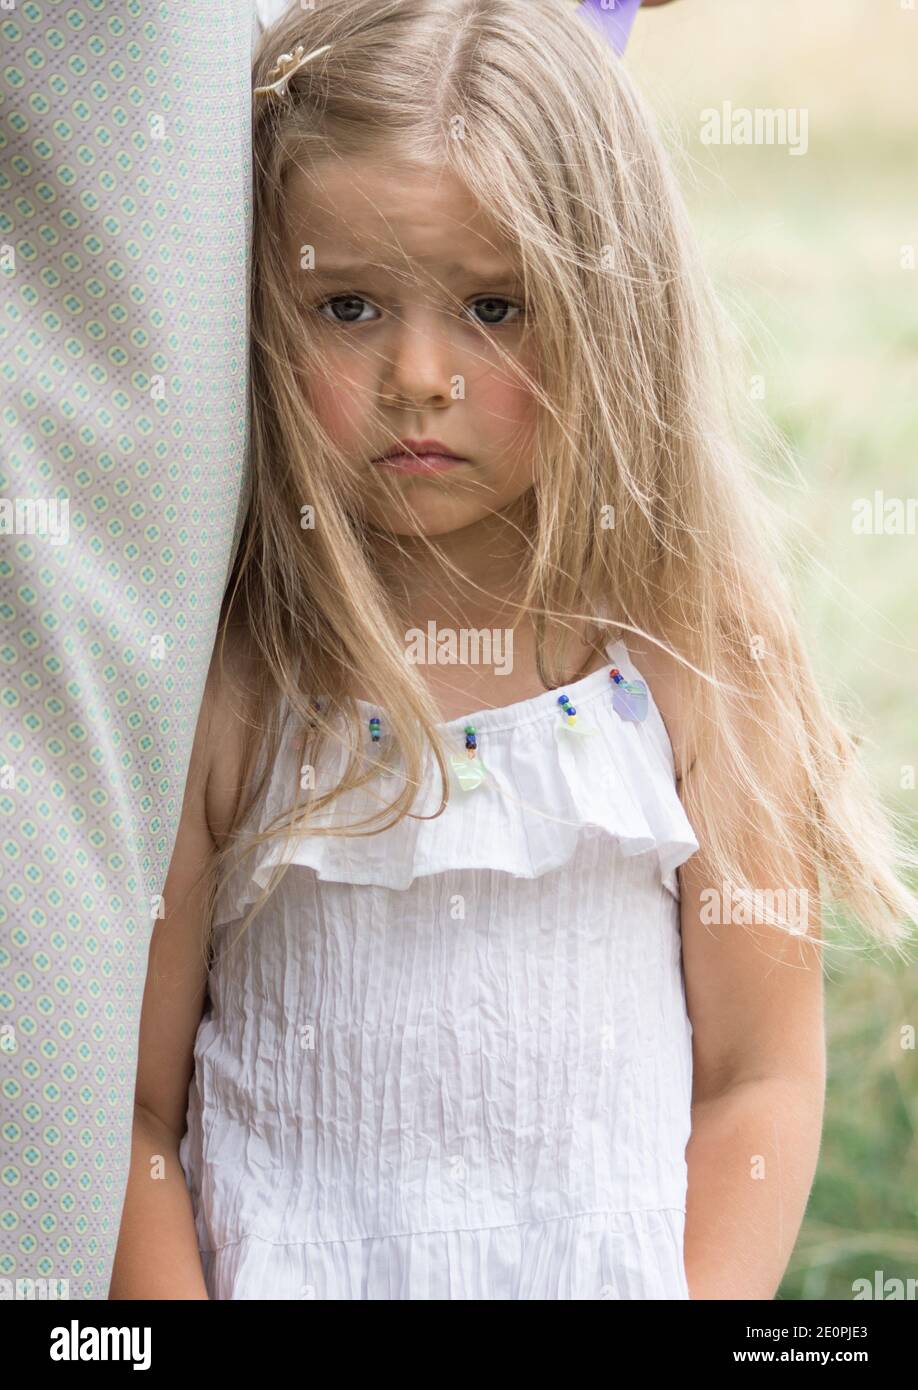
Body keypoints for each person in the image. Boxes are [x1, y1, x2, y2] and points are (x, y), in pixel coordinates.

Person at [109, 0, 917, 1301]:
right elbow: (132, 1112)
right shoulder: (241, 664)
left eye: (494, 305)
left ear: (611, 309)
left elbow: (756, 1075)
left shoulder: (686, 648)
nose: (419, 374)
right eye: (348, 304)